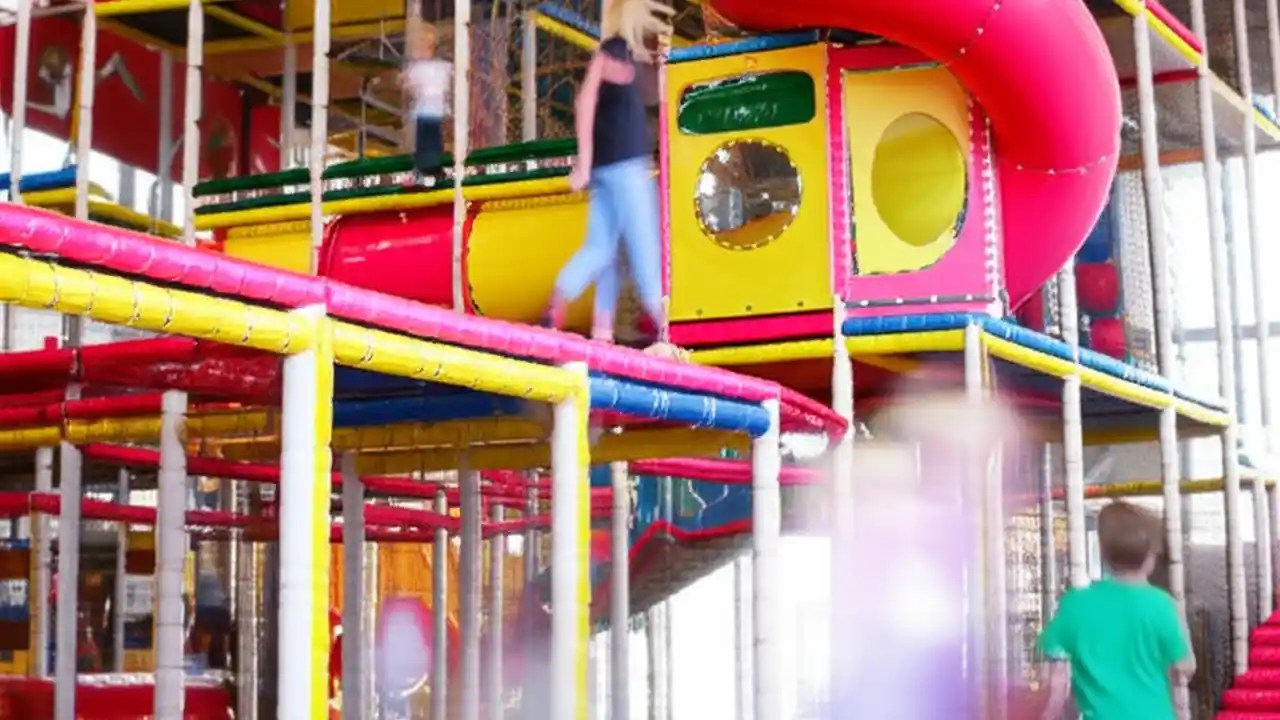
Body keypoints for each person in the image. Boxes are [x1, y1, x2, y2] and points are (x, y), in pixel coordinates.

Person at [544, 0, 674, 343]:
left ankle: (599, 326)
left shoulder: (626, 55)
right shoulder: (618, 50)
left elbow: (649, 97)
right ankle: (666, 325)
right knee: (645, 250)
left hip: (607, 167)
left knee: (603, 248)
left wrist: (588, 162)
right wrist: (583, 161)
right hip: (627, 166)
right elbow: (586, 102)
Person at [1039, 501, 1196, 720]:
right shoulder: (1162, 605)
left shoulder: (1075, 604)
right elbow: (1185, 666)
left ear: (1104, 552)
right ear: (1151, 555)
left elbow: (1054, 671)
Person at [400, 19, 452, 184]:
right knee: (425, 141)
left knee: (430, 141)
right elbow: (408, 85)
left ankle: (431, 169)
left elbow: (409, 84)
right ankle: (427, 169)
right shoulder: (424, 68)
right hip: (427, 111)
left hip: (432, 111)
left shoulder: (436, 67)